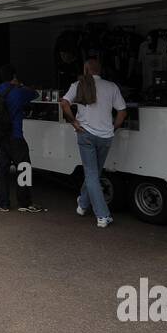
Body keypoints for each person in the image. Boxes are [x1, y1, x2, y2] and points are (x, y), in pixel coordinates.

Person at [60, 56, 128, 228]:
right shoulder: (111, 86)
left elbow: (64, 102)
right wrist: (114, 127)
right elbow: (122, 111)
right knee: (94, 173)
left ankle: (102, 215)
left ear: (86, 69)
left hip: (86, 135)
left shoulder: (78, 85)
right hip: (106, 136)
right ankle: (82, 205)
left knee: (91, 174)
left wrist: (73, 122)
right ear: (100, 69)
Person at [0, 64, 46, 213]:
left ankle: (3, 203)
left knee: (2, 171)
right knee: (24, 168)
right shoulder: (18, 92)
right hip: (16, 136)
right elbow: (35, 94)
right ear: (14, 76)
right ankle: (24, 202)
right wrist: (20, 85)